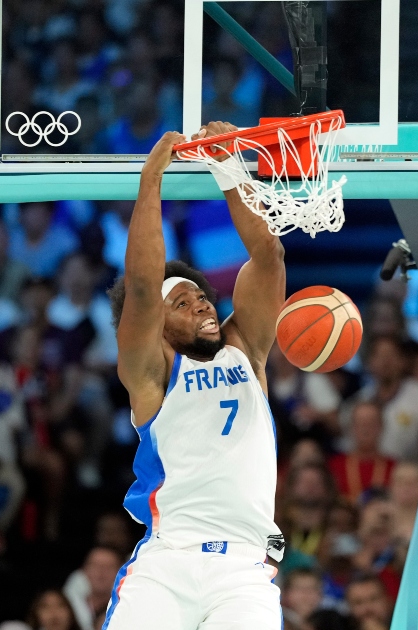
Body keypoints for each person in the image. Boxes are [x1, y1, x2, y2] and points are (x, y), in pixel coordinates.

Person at [103, 123, 284, 628]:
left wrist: (229, 168)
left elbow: (268, 256)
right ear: (158, 325)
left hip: (244, 567)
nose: (202, 304)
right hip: (168, 561)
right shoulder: (151, 375)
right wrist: (151, 182)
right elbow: (141, 287)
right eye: (182, 303)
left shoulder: (244, 346)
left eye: (202, 295)